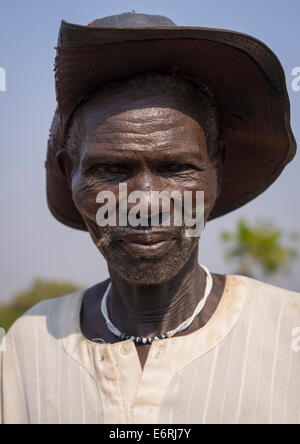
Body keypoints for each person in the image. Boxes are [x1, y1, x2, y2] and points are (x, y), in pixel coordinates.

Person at [1, 12, 299, 425]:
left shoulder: (289, 334)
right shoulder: (28, 344)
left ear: (217, 168)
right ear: (70, 172)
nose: (145, 202)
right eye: (110, 170)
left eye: (176, 167)